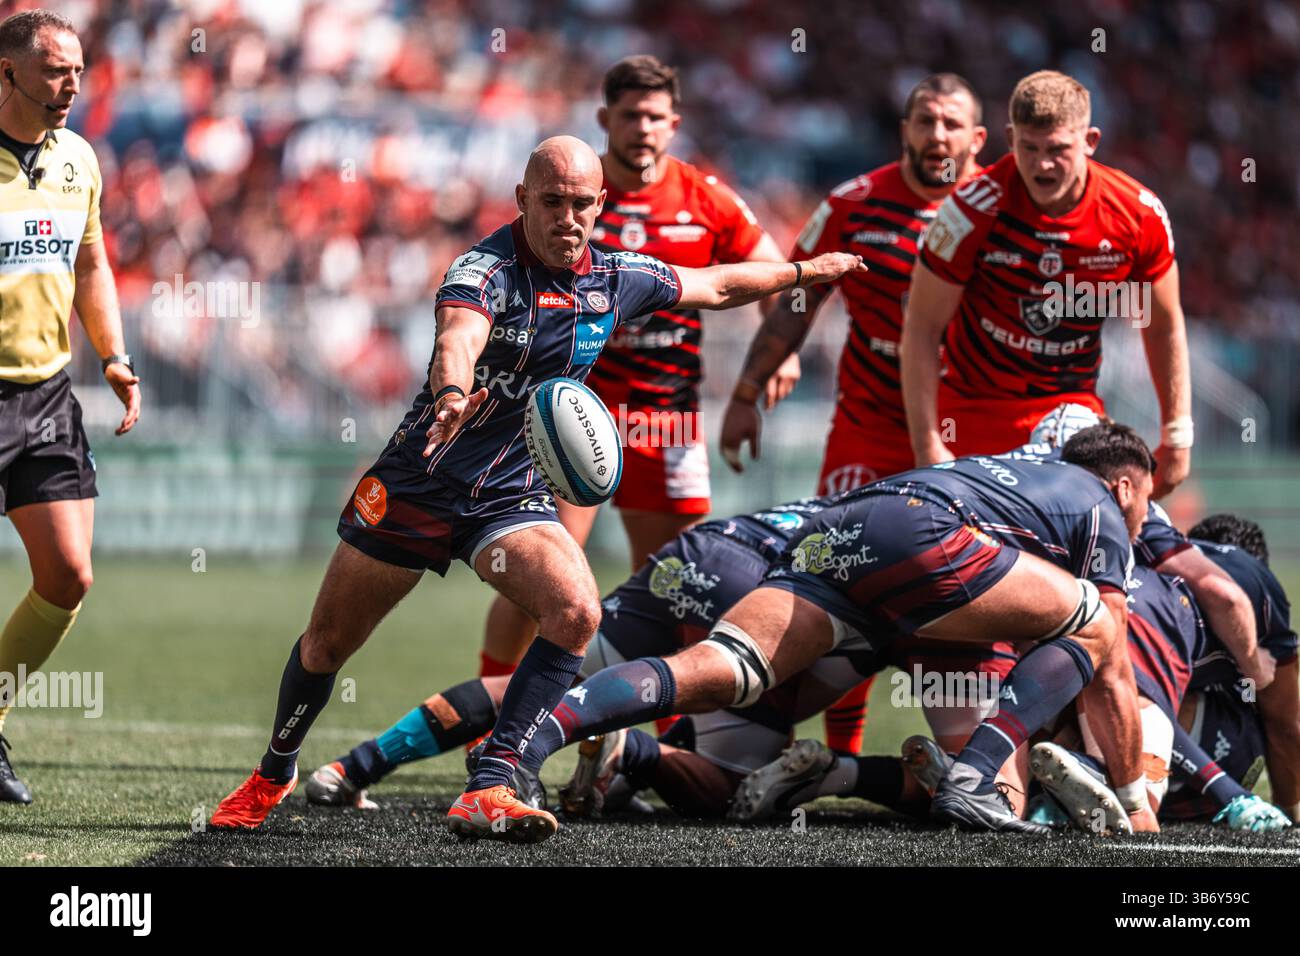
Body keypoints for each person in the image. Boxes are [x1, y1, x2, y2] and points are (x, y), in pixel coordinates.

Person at [207, 134, 865, 842]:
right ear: (522, 200)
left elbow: (717, 285)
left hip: (509, 497)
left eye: (582, 203)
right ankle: (275, 772)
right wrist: (454, 389)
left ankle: (490, 782)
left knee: (577, 612)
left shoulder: (614, 276)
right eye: (551, 201)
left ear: (600, 204)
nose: (567, 217)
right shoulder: (483, 270)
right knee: (325, 646)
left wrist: (802, 271)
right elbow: (459, 333)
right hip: (418, 486)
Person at [510, 422, 1159, 835]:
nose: (1144, 524)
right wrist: (1136, 802)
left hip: (843, 523)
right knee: (1097, 623)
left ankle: (525, 748)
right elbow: (1114, 667)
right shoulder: (1099, 504)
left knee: (728, 669)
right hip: (923, 539)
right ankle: (971, 778)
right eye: (1147, 505)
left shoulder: (1011, 473)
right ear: (1127, 487)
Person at [475, 56, 796, 736]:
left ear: (673, 123)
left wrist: (771, 360)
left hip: (668, 417)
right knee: (543, 568)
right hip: (568, 414)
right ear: (605, 120)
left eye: (655, 116)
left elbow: (772, 274)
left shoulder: (705, 197)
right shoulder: (574, 191)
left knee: (684, 578)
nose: (643, 128)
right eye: (630, 115)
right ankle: (482, 716)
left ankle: (672, 738)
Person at [719, 72, 988, 757]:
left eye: (952, 124)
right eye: (925, 121)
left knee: (970, 590)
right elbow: (797, 300)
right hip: (867, 432)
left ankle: (984, 754)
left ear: (977, 137)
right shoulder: (854, 204)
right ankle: (839, 756)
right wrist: (747, 392)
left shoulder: (1002, 204)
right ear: (905, 130)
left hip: (968, 438)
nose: (937, 136)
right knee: (847, 580)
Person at [901, 70, 1192, 499]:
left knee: (1111, 533)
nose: (1041, 165)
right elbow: (922, 328)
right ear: (1009, 137)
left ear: (1090, 141)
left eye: (1057, 150)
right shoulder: (969, 211)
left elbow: (1163, 325)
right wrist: (928, 444)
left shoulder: (1137, 214)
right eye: (1029, 148)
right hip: (975, 412)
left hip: (1072, 411)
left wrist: (1177, 433)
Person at [0, 10, 139, 804]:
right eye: (56, 72)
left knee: (69, 574)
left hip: (47, 392)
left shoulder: (79, 158)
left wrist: (114, 355)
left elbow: (90, 261)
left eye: (78, 71)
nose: (73, 86)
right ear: (9, 73)